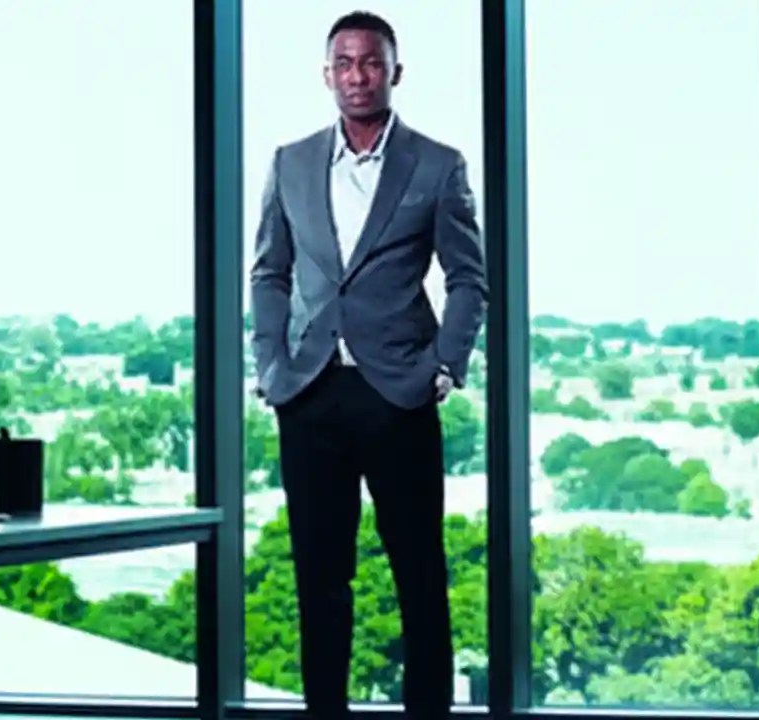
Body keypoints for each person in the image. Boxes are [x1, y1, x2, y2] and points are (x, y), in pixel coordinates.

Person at [249, 10, 489, 719]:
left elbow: (468, 277)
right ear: (328, 75)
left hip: (399, 395)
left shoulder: (437, 164)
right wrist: (271, 363)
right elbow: (269, 271)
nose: (358, 76)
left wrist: (445, 364)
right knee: (320, 580)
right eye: (345, 63)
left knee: (419, 576)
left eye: (371, 62)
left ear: (395, 72)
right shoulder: (290, 162)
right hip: (311, 393)